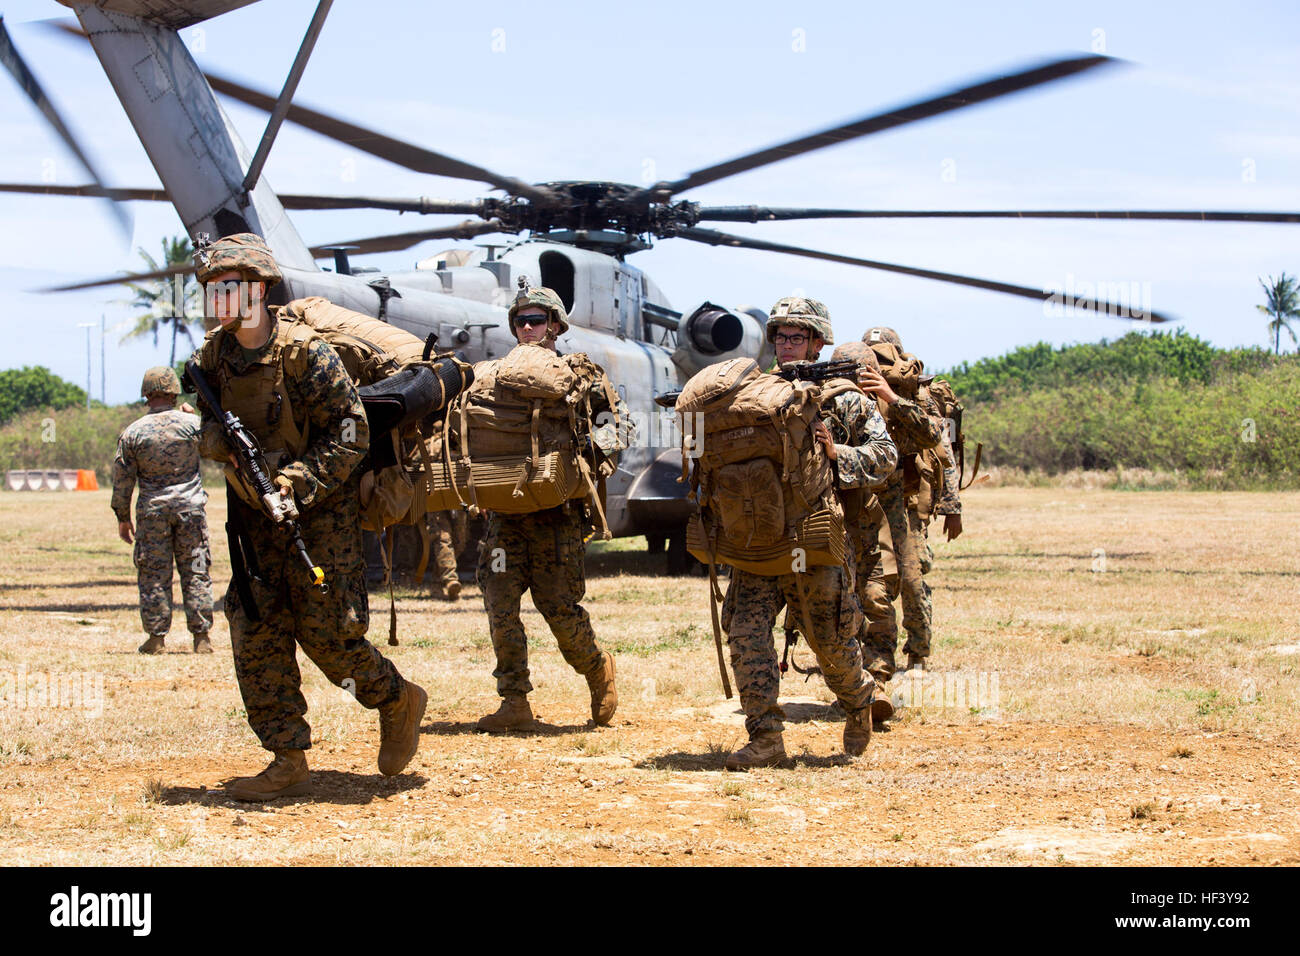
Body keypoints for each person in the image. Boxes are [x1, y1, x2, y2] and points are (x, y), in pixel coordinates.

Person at [192, 232, 426, 801]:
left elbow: (350, 431)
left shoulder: (304, 353)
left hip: (319, 517)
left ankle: (396, 699)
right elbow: (206, 428)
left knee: (331, 638)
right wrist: (224, 450)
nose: (218, 297)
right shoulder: (211, 360)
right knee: (255, 631)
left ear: (259, 288)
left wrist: (295, 483)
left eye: (229, 286)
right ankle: (286, 757)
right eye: (212, 287)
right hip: (251, 520)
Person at [721, 297, 896, 770]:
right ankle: (766, 738)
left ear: (818, 343)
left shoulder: (846, 399)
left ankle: (859, 698)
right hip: (759, 541)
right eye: (780, 336)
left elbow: (885, 457)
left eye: (797, 337)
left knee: (833, 644)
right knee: (747, 633)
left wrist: (838, 453)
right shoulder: (752, 396)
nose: (787, 345)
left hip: (817, 540)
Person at [475, 286, 632, 733]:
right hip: (507, 516)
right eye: (521, 320)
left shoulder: (579, 375)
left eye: (537, 320)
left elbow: (618, 427)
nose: (527, 328)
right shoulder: (495, 376)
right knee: (499, 604)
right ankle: (514, 700)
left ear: (556, 327)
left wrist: (589, 457)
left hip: (557, 516)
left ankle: (598, 668)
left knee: (558, 607)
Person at [860, 326, 946, 685]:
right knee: (870, 583)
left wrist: (892, 399)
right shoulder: (850, 386)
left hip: (903, 498)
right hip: (862, 496)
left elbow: (936, 440)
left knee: (910, 578)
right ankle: (873, 662)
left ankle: (918, 650)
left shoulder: (912, 391)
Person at [111, 366, 214, 655]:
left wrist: (122, 517)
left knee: (154, 574)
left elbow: (123, 480)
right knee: (196, 569)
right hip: (190, 508)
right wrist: (193, 418)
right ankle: (202, 637)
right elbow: (214, 445)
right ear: (173, 392)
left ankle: (156, 639)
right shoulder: (190, 424)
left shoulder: (133, 432)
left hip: (152, 512)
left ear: (146, 394)